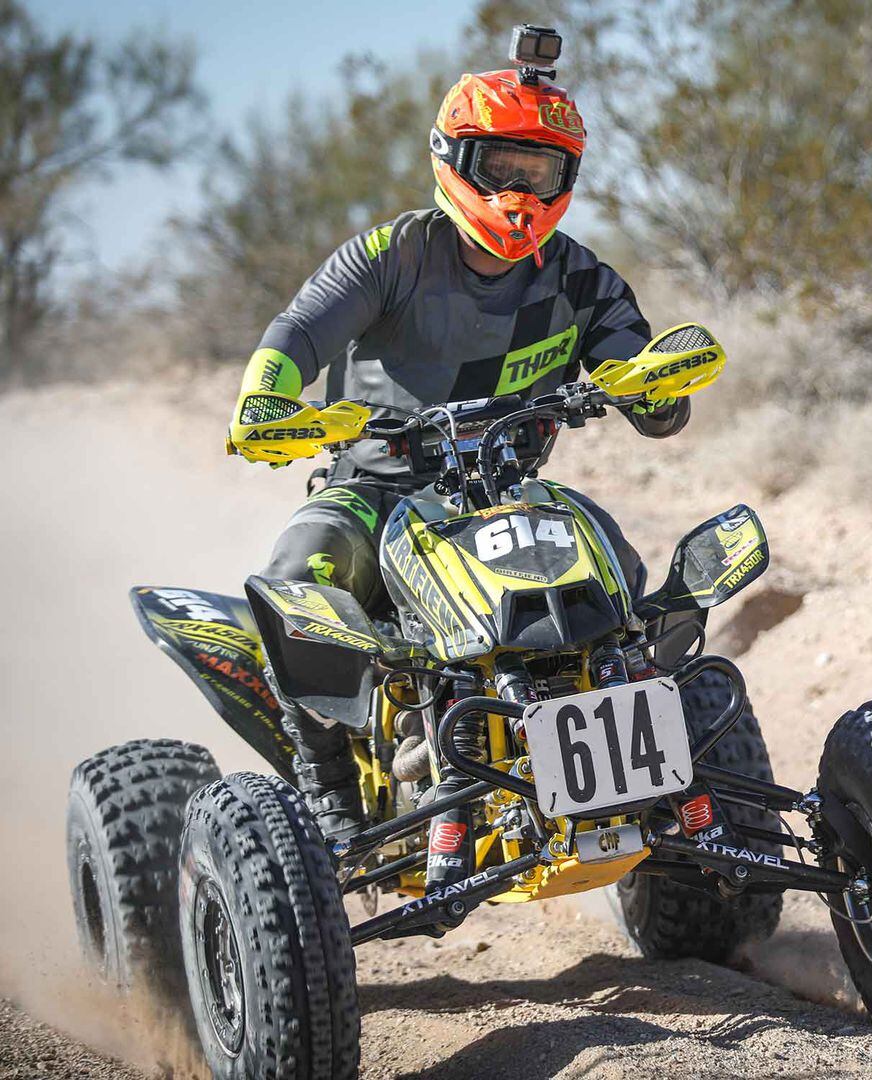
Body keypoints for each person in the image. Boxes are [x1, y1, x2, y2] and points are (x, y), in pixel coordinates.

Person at [226, 62, 688, 842]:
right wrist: (263, 398)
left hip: (510, 492)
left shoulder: (581, 277)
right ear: (455, 158)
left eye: (538, 171)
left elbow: (641, 378)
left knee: (624, 580)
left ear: (565, 176)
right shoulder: (393, 253)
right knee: (294, 582)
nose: (519, 192)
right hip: (372, 490)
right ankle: (329, 793)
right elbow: (297, 333)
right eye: (499, 167)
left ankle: (663, 776)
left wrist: (654, 388)